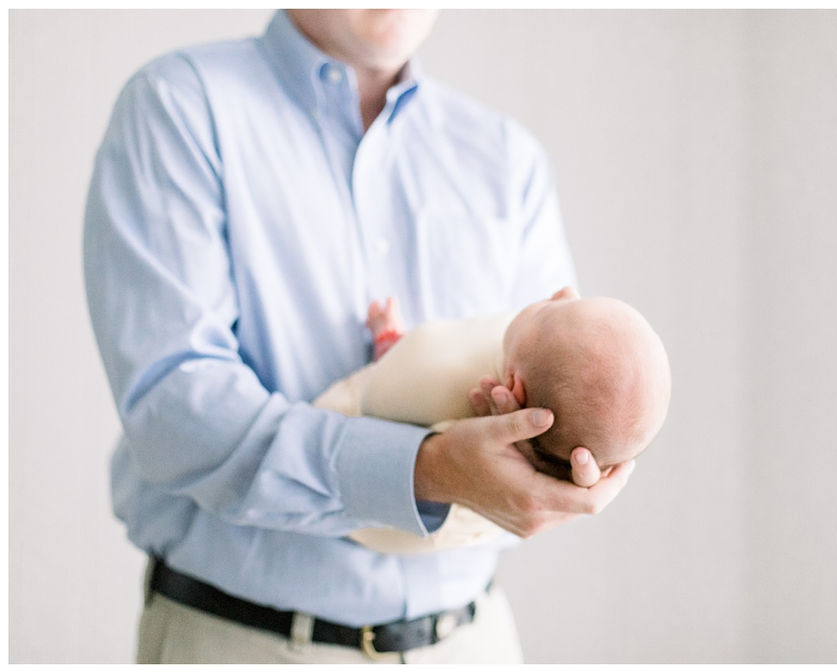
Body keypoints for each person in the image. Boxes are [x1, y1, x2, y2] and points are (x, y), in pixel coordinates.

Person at [83, 8, 635, 664]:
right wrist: (426, 470)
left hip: (472, 643)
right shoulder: (178, 107)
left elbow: (563, 394)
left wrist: (566, 465)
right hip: (250, 645)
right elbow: (177, 411)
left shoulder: (508, 159)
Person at [314, 286, 671, 554]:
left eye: (547, 312)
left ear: (514, 386)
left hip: (338, 460)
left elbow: (396, 398)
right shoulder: (540, 365)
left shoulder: (456, 393)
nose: (563, 291)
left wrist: (394, 350)